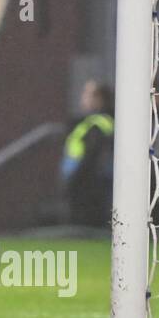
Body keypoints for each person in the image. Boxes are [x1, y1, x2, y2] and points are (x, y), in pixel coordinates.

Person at [62, 81, 115, 224]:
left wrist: (76, 176)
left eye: (87, 94)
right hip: (83, 176)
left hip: (89, 179)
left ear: (99, 99)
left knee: (87, 223)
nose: (83, 98)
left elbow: (93, 152)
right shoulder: (88, 121)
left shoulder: (99, 122)